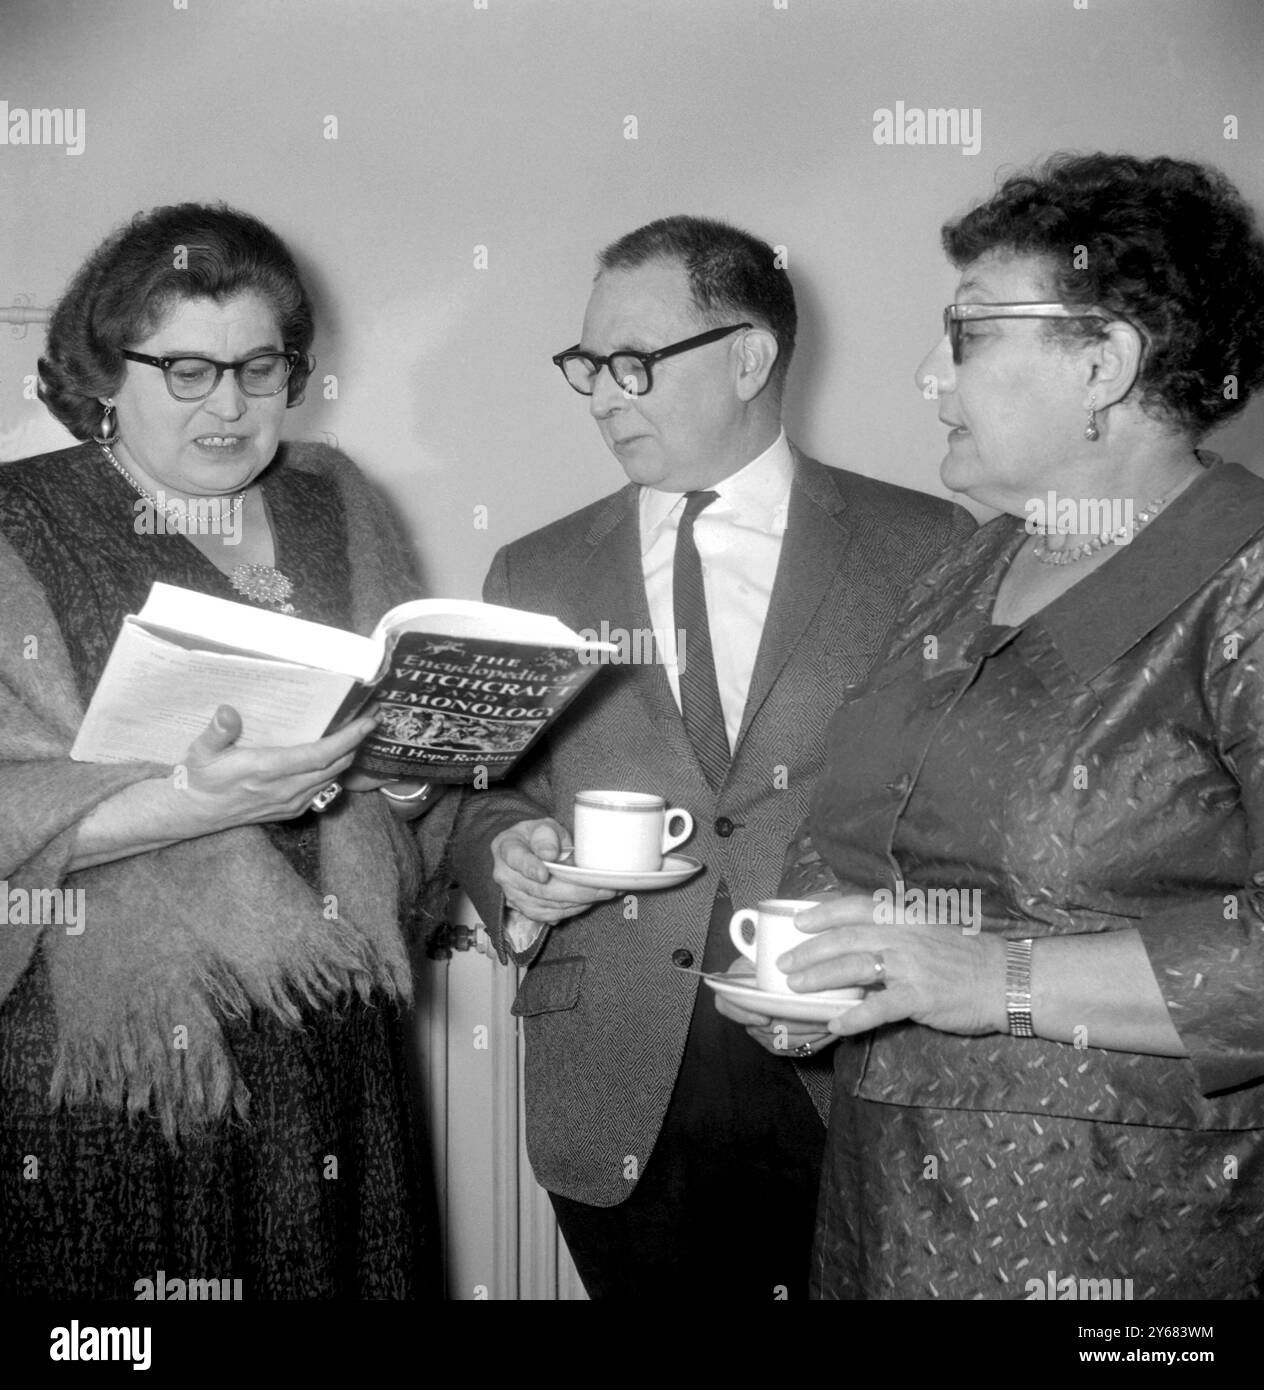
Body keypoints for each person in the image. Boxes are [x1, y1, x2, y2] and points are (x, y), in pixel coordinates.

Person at [767, 153, 1264, 1299]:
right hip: (885, 1204)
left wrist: (1000, 979)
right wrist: (814, 965)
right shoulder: (967, 566)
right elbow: (850, 842)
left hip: (1130, 1237)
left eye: (970, 332)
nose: (927, 376)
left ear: (1105, 361)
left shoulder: (1241, 578)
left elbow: (979, 961)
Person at [450, 215, 974, 1299]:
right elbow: (483, 795)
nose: (601, 393)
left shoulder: (930, 547)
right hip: (617, 1074)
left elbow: (971, 799)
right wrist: (507, 857)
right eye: (586, 365)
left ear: (748, 356)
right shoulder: (532, 568)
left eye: (631, 362)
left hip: (859, 1061)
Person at [0, 203, 454, 1299]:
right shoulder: (17, 522)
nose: (232, 404)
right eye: (188, 370)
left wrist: (407, 775)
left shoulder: (336, 500)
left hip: (333, 1047)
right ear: (106, 375)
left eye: (260, 367)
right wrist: (186, 801)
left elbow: (407, 768)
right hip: (121, 1070)